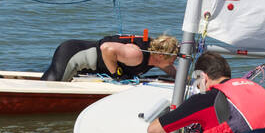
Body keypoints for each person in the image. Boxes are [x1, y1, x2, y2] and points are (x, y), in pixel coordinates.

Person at [41, 33, 179, 83]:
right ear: (161, 55)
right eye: (173, 58)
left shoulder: (156, 57)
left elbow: (170, 69)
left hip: (85, 65)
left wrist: (188, 80)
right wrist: (117, 74)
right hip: (73, 56)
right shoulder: (136, 55)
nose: (174, 61)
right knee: (46, 88)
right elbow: (107, 48)